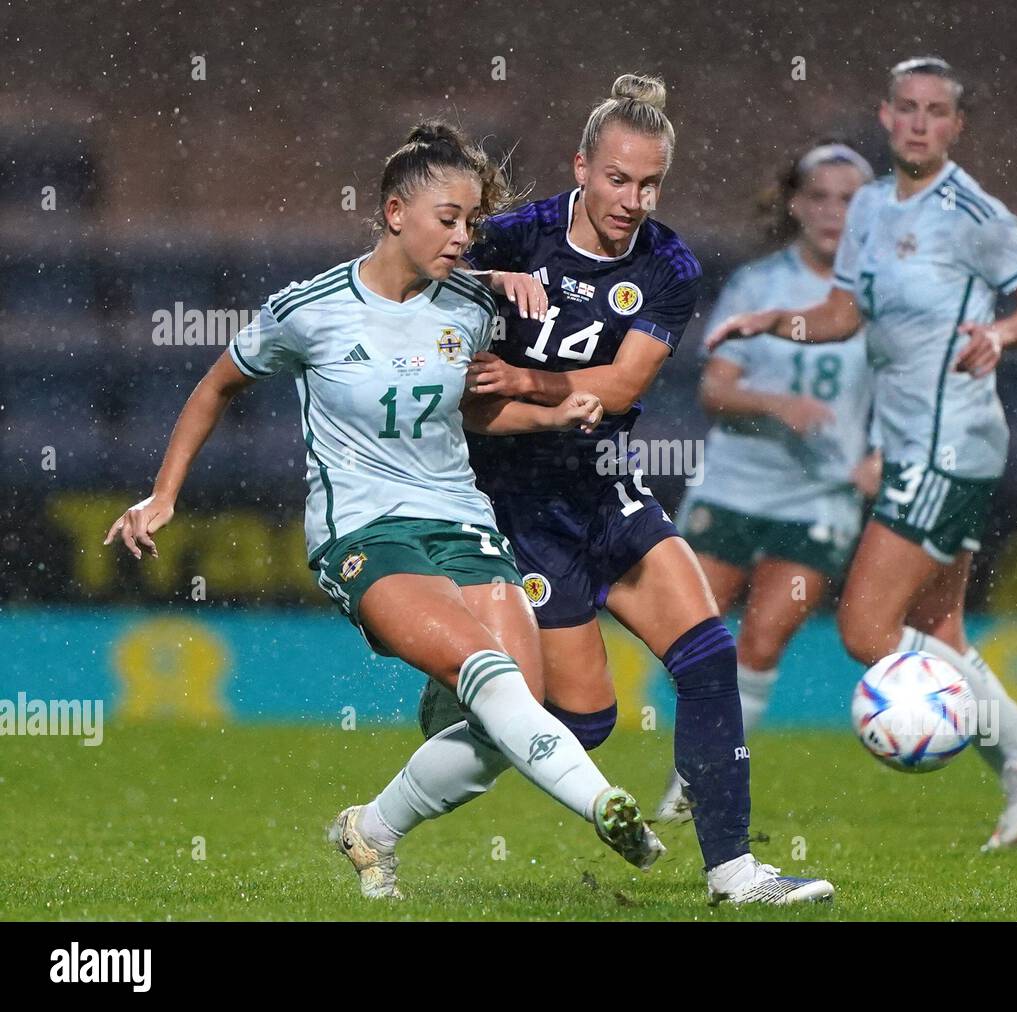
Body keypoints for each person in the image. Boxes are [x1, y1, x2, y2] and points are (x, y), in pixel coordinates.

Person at [104, 120, 666, 901]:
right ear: (395, 213)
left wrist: (550, 412)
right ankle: (603, 804)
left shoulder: (470, 306)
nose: (466, 238)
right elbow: (215, 386)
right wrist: (164, 494)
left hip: (463, 521)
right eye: (448, 220)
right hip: (364, 529)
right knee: (494, 681)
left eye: (473, 223)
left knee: (515, 713)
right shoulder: (311, 309)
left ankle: (371, 829)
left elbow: (473, 413)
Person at [403, 74, 834, 905]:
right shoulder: (513, 236)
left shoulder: (669, 265)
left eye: (649, 183)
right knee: (588, 723)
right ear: (582, 168)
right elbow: (411, 276)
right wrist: (489, 286)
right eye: (617, 179)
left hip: (606, 485)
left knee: (709, 656)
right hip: (521, 506)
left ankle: (734, 872)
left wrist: (527, 378)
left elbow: (624, 386)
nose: (632, 199)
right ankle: (463, 698)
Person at [706, 58, 1017, 851]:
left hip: (950, 446)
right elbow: (843, 314)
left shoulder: (974, 212)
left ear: (955, 125)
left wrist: (1002, 333)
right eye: (906, 108)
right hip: (913, 445)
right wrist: (775, 321)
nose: (918, 123)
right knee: (937, 628)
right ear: (885, 116)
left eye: (935, 111)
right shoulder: (871, 206)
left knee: (865, 628)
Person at [655, 140, 880, 822]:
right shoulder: (759, 285)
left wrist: (883, 456)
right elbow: (715, 389)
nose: (834, 212)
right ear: (796, 204)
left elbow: (916, 388)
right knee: (691, 639)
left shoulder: (885, 291)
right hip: (734, 486)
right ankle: (697, 766)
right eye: (821, 197)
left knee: (759, 643)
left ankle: (698, 787)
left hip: (820, 497)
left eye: (851, 200)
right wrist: (779, 405)